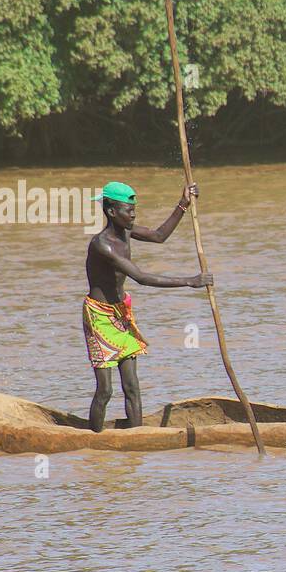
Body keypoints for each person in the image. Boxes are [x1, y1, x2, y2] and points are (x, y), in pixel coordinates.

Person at [83, 180, 211, 432]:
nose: (133, 214)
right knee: (105, 390)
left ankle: (137, 439)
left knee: (132, 386)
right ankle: (93, 441)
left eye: (134, 210)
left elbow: (159, 236)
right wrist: (190, 281)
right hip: (99, 317)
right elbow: (141, 278)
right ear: (111, 212)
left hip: (121, 314)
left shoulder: (127, 232)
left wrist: (183, 204)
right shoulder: (102, 244)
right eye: (128, 210)